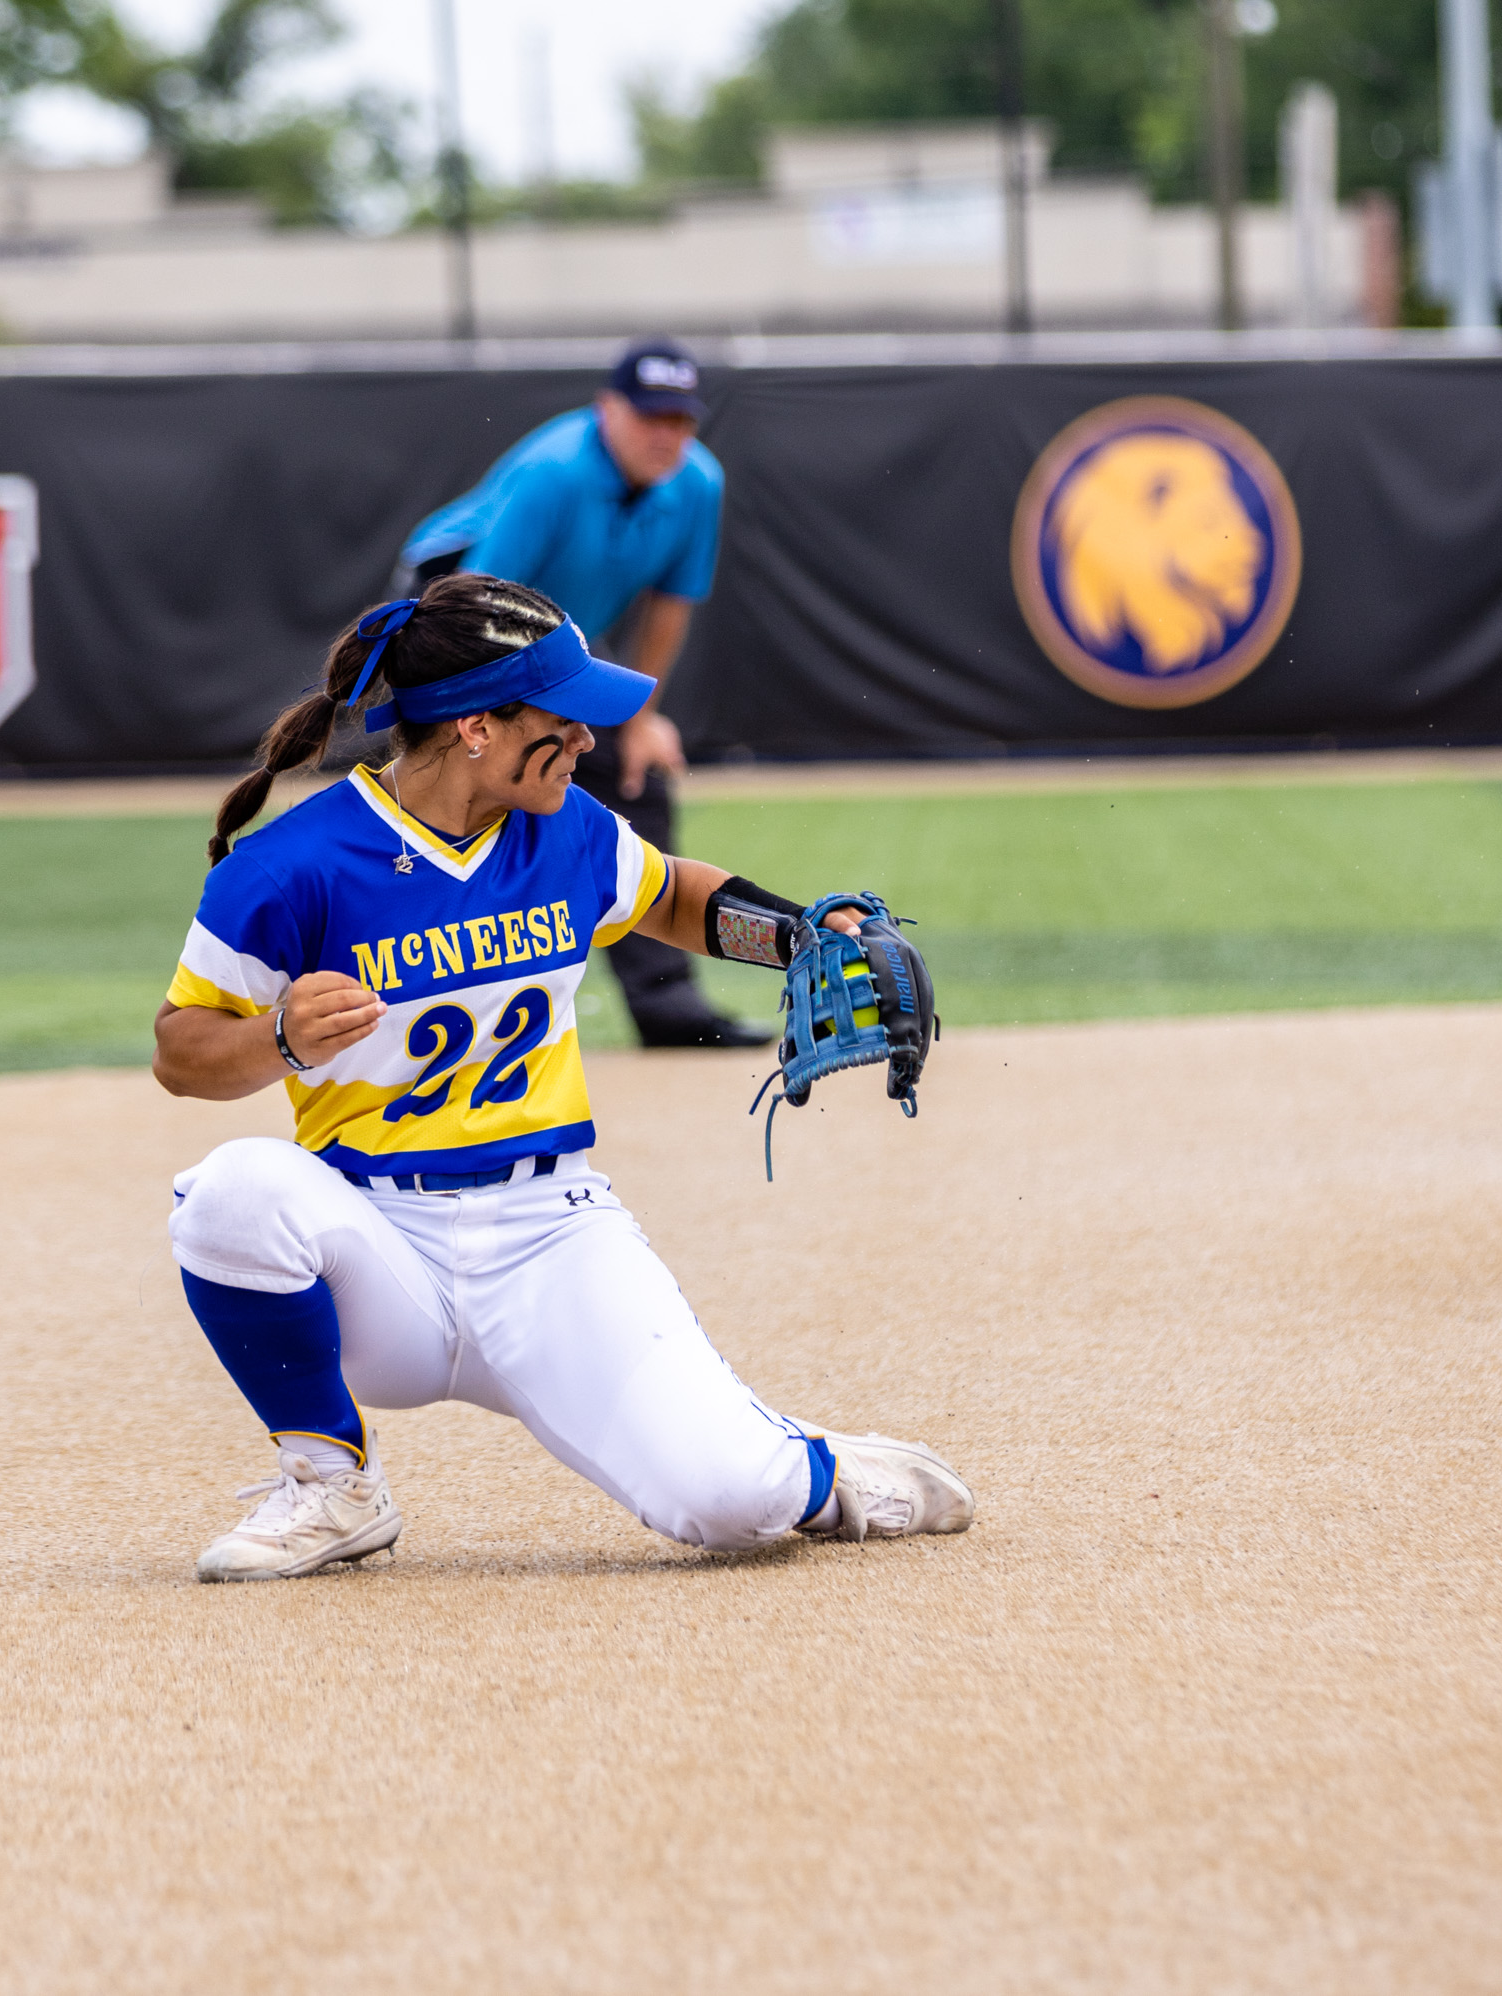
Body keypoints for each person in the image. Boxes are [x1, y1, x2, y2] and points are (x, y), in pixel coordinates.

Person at [153, 571, 974, 1581]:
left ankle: (806, 1463)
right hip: (378, 1251)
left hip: (548, 1235)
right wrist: (277, 1037)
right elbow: (180, 1050)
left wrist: (794, 930)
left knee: (734, 1505)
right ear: (474, 728)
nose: (587, 739)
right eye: (562, 717)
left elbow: (668, 896)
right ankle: (334, 1486)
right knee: (229, 1194)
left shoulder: (565, 826)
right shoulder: (293, 866)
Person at [396, 339, 768, 1050]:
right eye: (650, 416)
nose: (667, 435)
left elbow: (670, 602)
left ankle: (669, 1007)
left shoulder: (698, 482)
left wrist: (642, 719)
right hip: (449, 614)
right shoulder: (555, 470)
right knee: (450, 793)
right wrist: (491, 716)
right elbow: (475, 602)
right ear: (607, 410)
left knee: (634, 774)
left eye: (681, 420)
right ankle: (411, 995)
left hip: (555, 644)